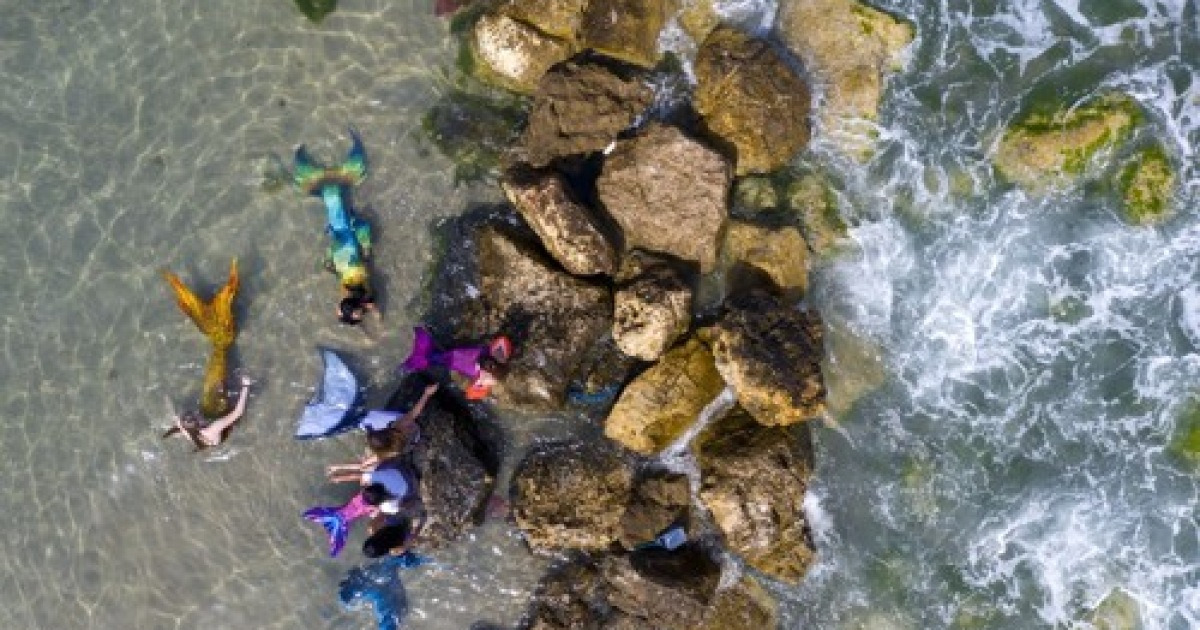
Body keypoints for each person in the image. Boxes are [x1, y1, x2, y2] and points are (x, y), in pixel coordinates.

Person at [293, 129, 378, 326]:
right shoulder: (357, 290)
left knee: (337, 207)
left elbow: (344, 246)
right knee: (338, 207)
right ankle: (303, 156)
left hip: (345, 247)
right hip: (344, 246)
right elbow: (343, 245)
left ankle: (301, 156)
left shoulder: (361, 294)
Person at [325, 382, 439, 479]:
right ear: (384, 431)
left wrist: (337, 467)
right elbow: (414, 413)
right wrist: (427, 394)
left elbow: (363, 465)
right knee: (398, 417)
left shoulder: (389, 452)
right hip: (414, 431)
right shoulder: (399, 426)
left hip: (412, 443)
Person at [399, 326, 512, 400]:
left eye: (489, 370)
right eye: (491, 366)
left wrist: (484, 383)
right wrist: (500, 357)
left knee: (430, 357)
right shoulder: (488, 353)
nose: (488, 367)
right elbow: (503, 341)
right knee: (430, 353)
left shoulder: (481, 376)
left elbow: (470, 395)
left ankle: (415, 352)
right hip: (444, 352)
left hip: (443, 357)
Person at [163, 374, 253, 450]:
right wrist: (246, 386)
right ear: (199, 423)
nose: (196, 412)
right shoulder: (213, 428)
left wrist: (167, 396)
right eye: (196, 416)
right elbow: (238, 412)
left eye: (193, 413)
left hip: (199, 437)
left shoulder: (183, 425)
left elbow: (173, 412)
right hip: (217, 436)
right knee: (231, 412)